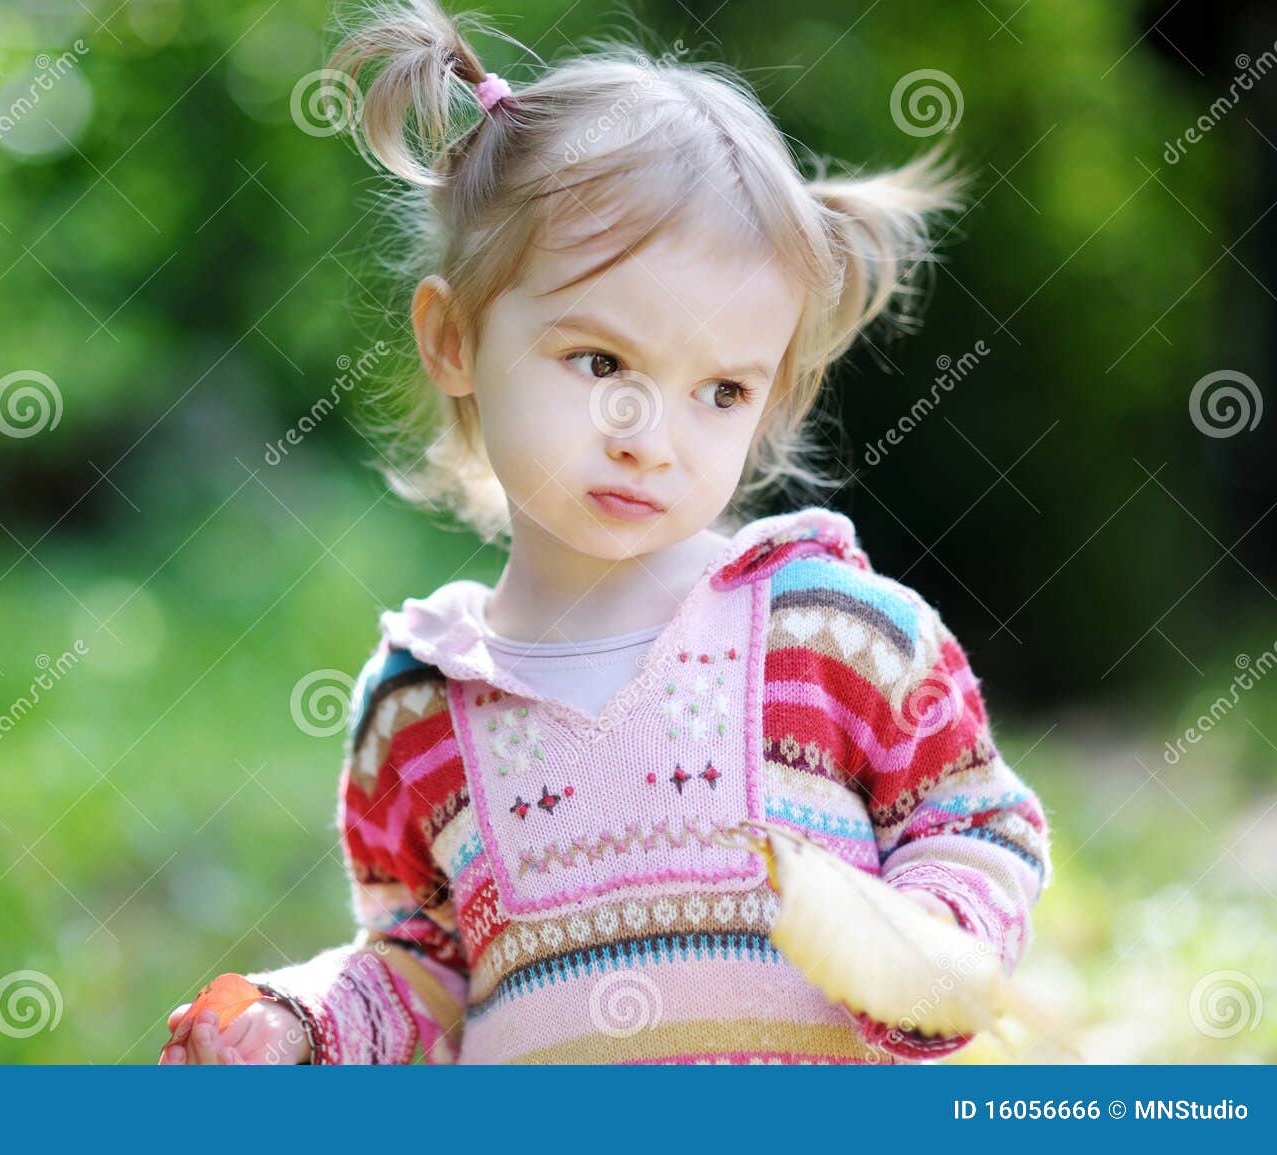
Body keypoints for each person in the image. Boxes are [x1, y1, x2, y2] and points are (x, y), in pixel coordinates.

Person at [159, 0, 1053, 1065]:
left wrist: (931, 943)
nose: (650, 438)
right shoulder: (419, 707)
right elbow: (420, 968)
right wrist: (300, 1021)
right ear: (453, 339)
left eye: (721, 390)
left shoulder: (836, 636)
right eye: (600, 362)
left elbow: (972, 821)